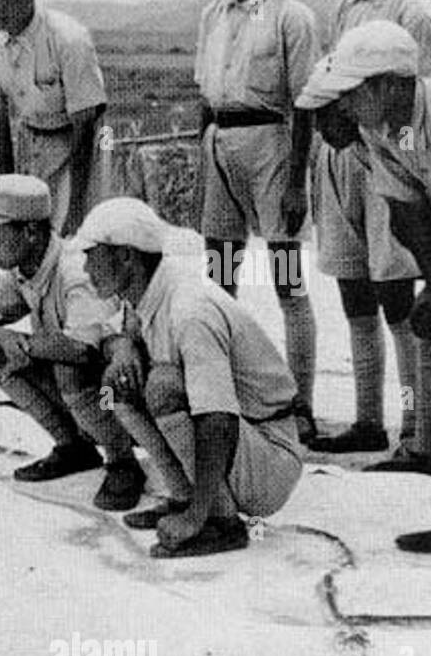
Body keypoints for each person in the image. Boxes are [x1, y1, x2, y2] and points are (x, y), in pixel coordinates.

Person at [297, 20, 431, 553]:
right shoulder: (384, 131)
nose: (342, 108)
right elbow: (414, 217)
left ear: (390, 84)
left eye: (352, 92)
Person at [307, 0, 431, 469]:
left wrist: (405, 169)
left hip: (392, 157)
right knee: (351, 287)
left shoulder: (413, 9)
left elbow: (426, 102)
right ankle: (367, 419)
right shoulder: (344, 9)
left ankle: (416, 427)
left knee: (399, 293)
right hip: (344, 155)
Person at [77, 198, 304, 558]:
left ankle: (218, 520)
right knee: (116, 384)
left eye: (92, 254)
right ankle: (183, 496)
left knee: (164, 386)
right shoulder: (151, 287)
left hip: (269, 458)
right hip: (245, 443)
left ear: (126, 257)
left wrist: (197, 519)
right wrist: (124, 350)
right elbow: (125, 330)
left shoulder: (190, 309)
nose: (85, 267)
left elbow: (218, 418)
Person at [194, 0, 319, 444]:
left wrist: (296, 179)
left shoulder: (293, 17)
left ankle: (303, 404)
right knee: (221, 276)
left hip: (271, 145)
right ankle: (222, 397)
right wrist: (206, 162)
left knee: (288, 278)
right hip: (221, 144)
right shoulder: (212, 16)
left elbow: (305, 100)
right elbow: (207, 94)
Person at [0, 174, 144, 510]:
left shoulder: (75, 269)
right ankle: (73, 446)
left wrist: (24, 345)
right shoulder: (24, 269)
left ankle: (122, 461)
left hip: (121, 395)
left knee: (68, 367)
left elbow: (83, 349)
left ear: (30, 232)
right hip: (93, 396)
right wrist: (3, 337)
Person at [0, 0, 106, 236]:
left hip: (77, 143)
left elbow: (86, 124)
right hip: (30, 140)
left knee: (75, 238)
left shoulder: (68, 39)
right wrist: (7, 191)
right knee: (29, 236)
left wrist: (76, 205)